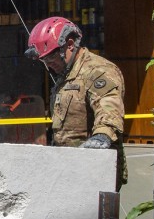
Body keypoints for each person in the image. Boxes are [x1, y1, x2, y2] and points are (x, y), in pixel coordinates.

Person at [25, 15, 126, 188]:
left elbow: (109, 106)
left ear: (70, 45)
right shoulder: (67, 75)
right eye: (44, 61)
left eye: (51, 59)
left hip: (95, 168)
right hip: (70, 167)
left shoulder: (97, 70)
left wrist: (102, 135)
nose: (49, 66)